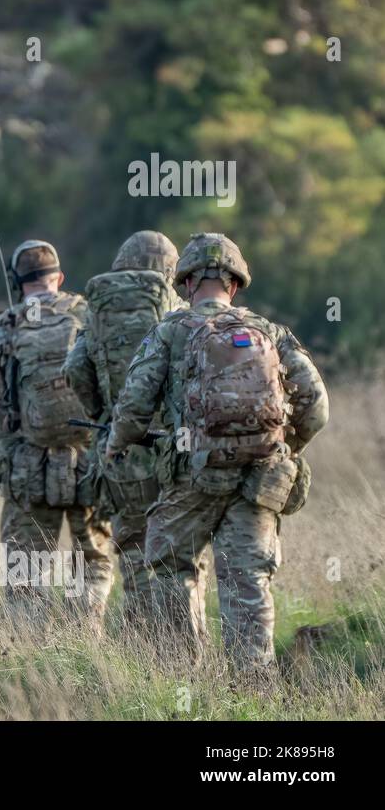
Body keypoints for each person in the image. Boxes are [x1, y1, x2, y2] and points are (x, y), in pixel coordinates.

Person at [108, 233, 329, 676]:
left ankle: (185, 679)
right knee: (247, 579)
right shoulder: (270, 332)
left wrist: (117, 446)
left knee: (175, 569)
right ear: (235, 283)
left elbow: (133, 406)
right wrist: (282, 448)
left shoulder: (170, 331)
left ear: (186, 283)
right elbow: (317, 407)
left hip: (192, 477)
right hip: (259, 478)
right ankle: (252, 686)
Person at [0, 240, 114, 630]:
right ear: (60, 278)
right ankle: (86, 638)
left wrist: (3, 456)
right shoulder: (89, 316)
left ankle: (30, 651)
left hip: (28, 465)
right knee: (90, 562)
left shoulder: (4, 325)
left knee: (26, 572)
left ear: (18, 282)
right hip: (90, 463)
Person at [64, 230, 184, 626]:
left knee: (132, 543)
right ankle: (176, 641)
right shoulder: (176, 306)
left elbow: (75, 369)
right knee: (175, 548)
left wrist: (103, 418)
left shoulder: (98, 309)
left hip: (118, 447)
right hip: (169, 447)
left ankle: (141, 638)